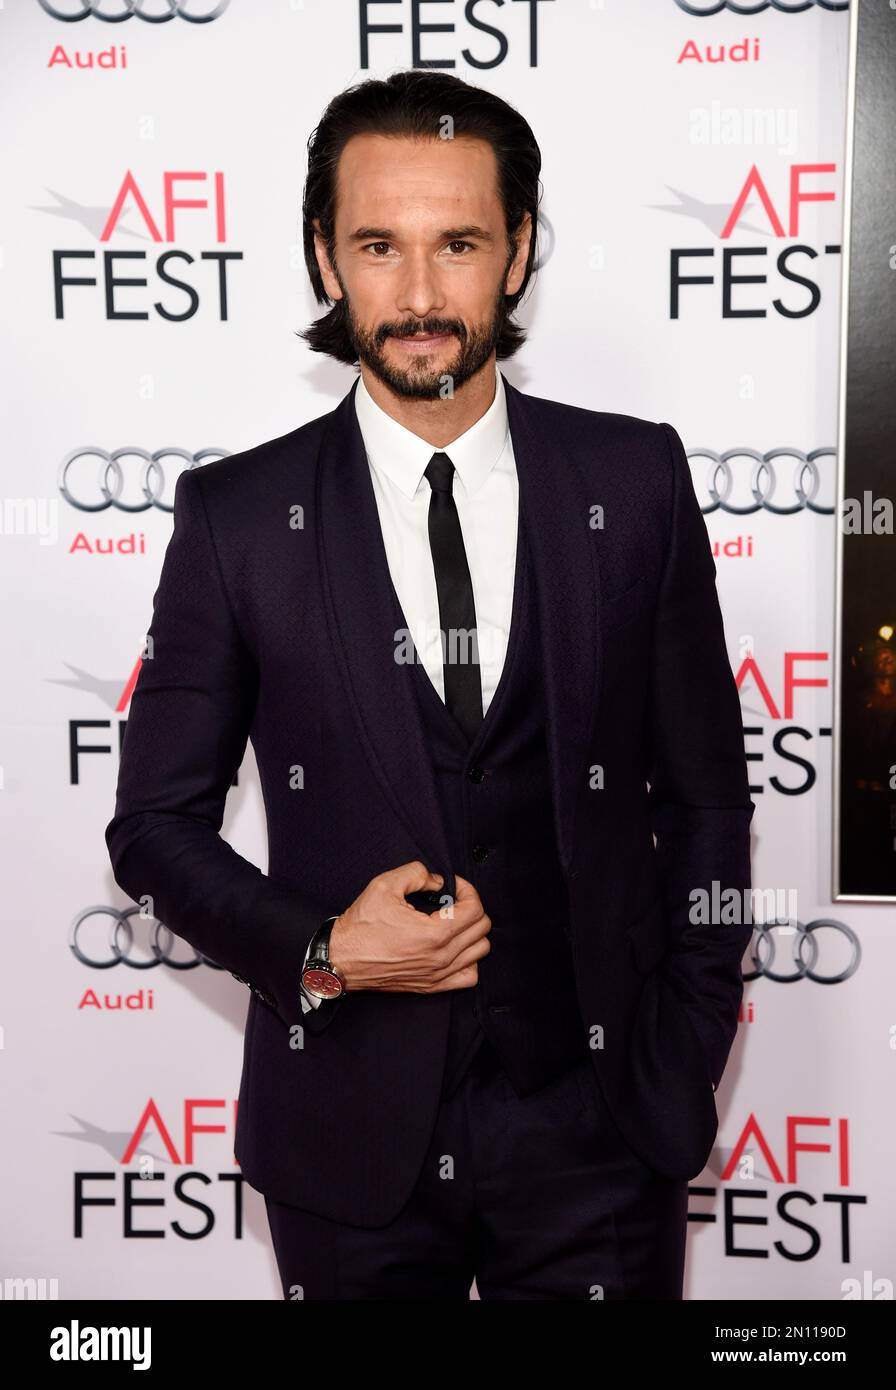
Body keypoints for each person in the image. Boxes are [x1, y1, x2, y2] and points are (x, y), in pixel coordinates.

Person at [105, 68, 754, 1300]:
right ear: (322, 257)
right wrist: (324, 948)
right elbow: (150, 827)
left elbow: (709, 799)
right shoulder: (238, 517)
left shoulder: (635, 481)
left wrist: (678, 1058)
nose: (415, 296)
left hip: (598, 1134)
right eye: (375, 246)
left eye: (455, 242)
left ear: (515, 252)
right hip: (347, 1135)